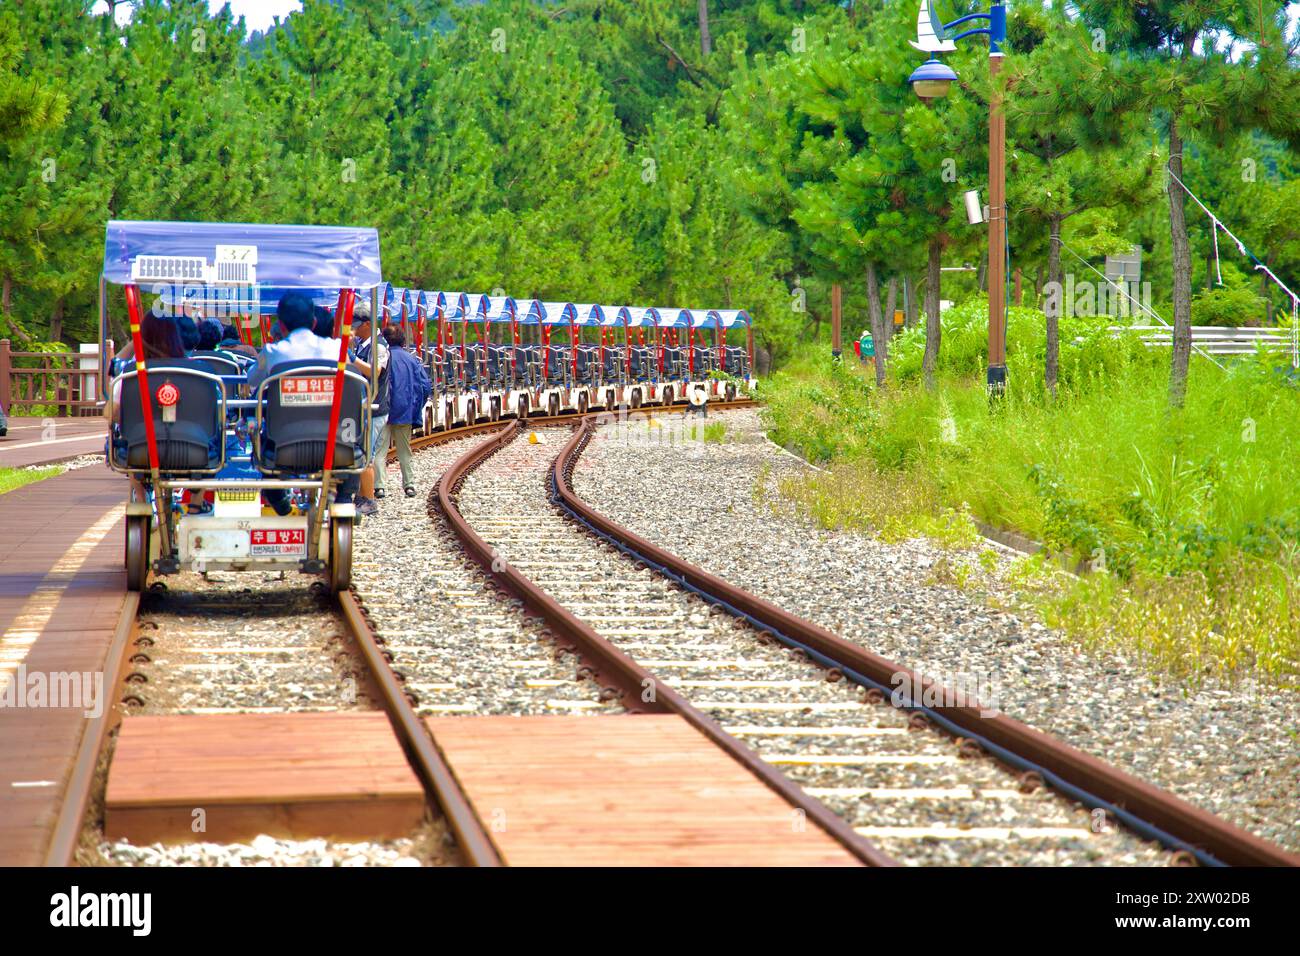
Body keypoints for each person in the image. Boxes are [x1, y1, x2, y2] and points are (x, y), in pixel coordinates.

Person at [380, 325, 430, 497]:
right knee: (404, 451)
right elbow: (425, 386)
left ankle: (379, 487)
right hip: (404, 412)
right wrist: (415, 408)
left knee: (379, 450)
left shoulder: (380, 357)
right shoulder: (411, 360)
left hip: (381, 410)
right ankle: (409, 485)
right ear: (402, 339)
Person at [350, 303, 389, 514]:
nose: (353, 330)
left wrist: (352, 359)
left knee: (366, 455)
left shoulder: (378, 346)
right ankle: (361, 496)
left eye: (356, 325)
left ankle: (369, 500)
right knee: (360, 452)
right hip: (362, 407)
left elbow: (375, 372)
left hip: (375, 408)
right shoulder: (362, 343)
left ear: (367, 323)